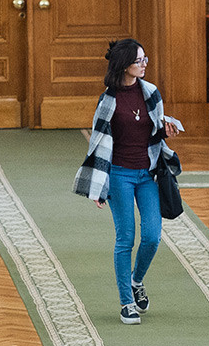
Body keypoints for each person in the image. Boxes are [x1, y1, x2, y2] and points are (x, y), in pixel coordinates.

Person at [74, 38, 182, 325]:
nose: (144, 65)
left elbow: (153, 135)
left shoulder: (151, 93)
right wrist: (98, 185)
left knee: (152, 237)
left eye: (145, 59)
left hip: (147, 175)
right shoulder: (108, 100)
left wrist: (165, 133)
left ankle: (136, 281)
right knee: (126, 238)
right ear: (125, 65)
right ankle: (126, 302)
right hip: (119, 175)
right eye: (139, 61)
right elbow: (97, 144)